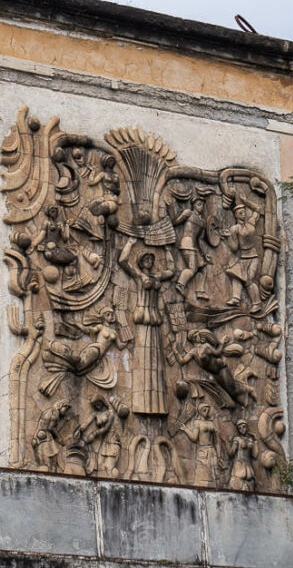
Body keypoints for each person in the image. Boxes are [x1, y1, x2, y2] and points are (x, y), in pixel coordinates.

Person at [118, 237, 173, 415]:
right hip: (143, 318)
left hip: (154, 319)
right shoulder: (138, 275)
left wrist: (168, 249)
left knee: (156, 362)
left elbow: (172, 271)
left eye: (151, 259)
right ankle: (142, 403)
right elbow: (123, 261)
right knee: (143, 360)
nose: (149, 262)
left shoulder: (156, 276)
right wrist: (130, 243)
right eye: (146, 259)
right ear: (141, 262)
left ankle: (157, 405)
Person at [173, 198, 211, 300]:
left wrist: (204, 254)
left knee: (203, 268)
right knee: (192, 268)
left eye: (202, 205)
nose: (201, 207)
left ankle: (200, 292)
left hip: (194, 246)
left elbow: (200, 240)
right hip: (187, 243)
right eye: (199, 204)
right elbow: (175, 221)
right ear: (193, 205)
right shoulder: (188, 213)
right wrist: (170, 208)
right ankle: (180, 284)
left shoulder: (202, 222)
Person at [180, 402, 221, 486]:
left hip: (212, 451)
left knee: (215, 475)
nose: (206, 411)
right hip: (203, 451)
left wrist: (218, 455)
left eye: (208, 410)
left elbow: (216, 441)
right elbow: (194, 438)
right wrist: (185, 429)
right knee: (203, 474)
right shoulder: (197, 422)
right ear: (200, 411)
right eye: (204, 410)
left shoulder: (211, 423)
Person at [227, 419, 258, 490]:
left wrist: (255, 441)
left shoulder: (250, 440)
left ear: (247, 427)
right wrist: (227, 443)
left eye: (244, 427)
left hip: (248, 466)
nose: (242, 429)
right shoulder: (237, 439)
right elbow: (231, 453)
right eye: (239, 428)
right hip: (239, 465)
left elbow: (255, 455)